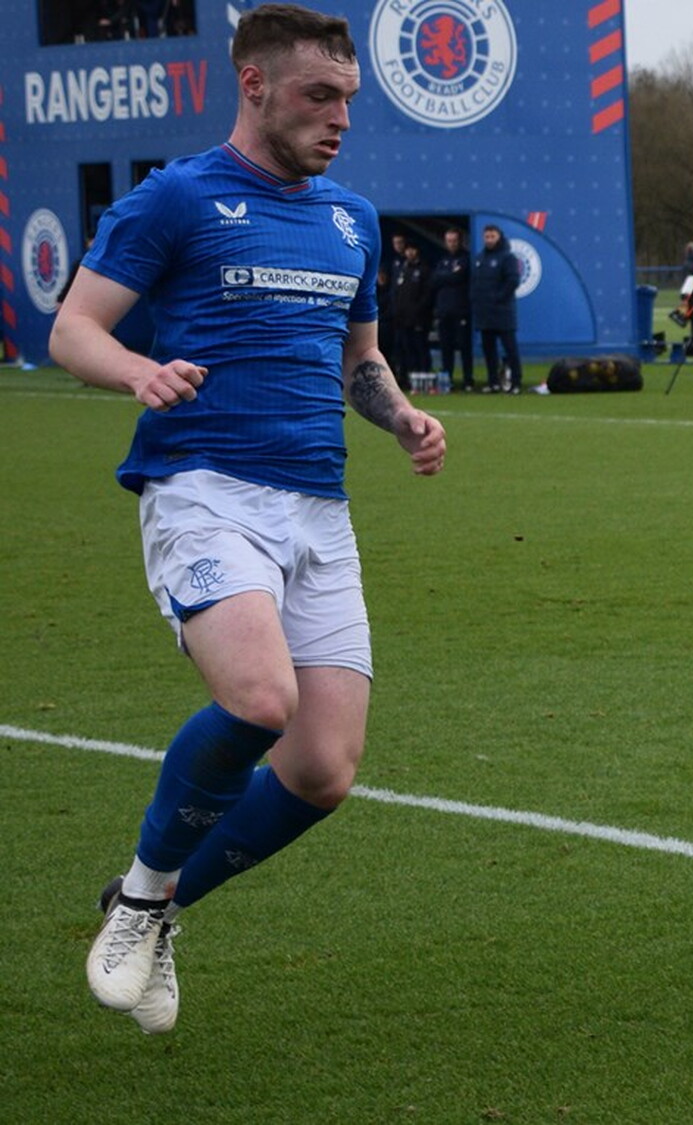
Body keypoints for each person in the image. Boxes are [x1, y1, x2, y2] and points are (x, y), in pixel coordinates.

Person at [48, 2, 446, 1034]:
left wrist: (400, 419)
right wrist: (138, 369)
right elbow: (73, 329)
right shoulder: (177, 198)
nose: (339, 118)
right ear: (255, 86)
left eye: (348, 100)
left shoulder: (351, 218)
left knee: (322, 769)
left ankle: (161, 910)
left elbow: (359, 360)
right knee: (262, 700)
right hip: (205, 490)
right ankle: (141, 891)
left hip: (320, 507)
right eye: (319, 97)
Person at [470, 224, 522, 393]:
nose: (489, 240)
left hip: (503, 312)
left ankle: (515, 383)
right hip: (485, 314)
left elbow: (513, 281)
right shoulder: (480, 258)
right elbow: (475, 283)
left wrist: (498, 298)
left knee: (510, 349)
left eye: (492, 236)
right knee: (488, 350)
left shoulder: (507, 257)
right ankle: (493, 382)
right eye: (487, 237)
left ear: (499, 236)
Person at [430, 227, 474, 392]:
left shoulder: (465, 259)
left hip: (461, 310)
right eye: (449, 241)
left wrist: (446, 276)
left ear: (460, 241)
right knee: (446, 348)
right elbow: (434, 279)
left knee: (464, 347)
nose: (452, 244)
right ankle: (447, 380)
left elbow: (458, 277)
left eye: (454, 240)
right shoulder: (443, 260)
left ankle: (468, 380)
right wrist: (448, 275)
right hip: (444, 311)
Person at [388, 240, 432, 386]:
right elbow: (396, 292)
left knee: (420, 347)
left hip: (418, 318)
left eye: (412, 250)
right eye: (408, 250)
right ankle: (407, 378)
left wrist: (418, 310)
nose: (409, 253)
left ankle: (424, 378)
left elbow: (426, 295)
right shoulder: (401, 268)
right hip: (402, 318)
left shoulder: (424, 269)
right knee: (404, 348)